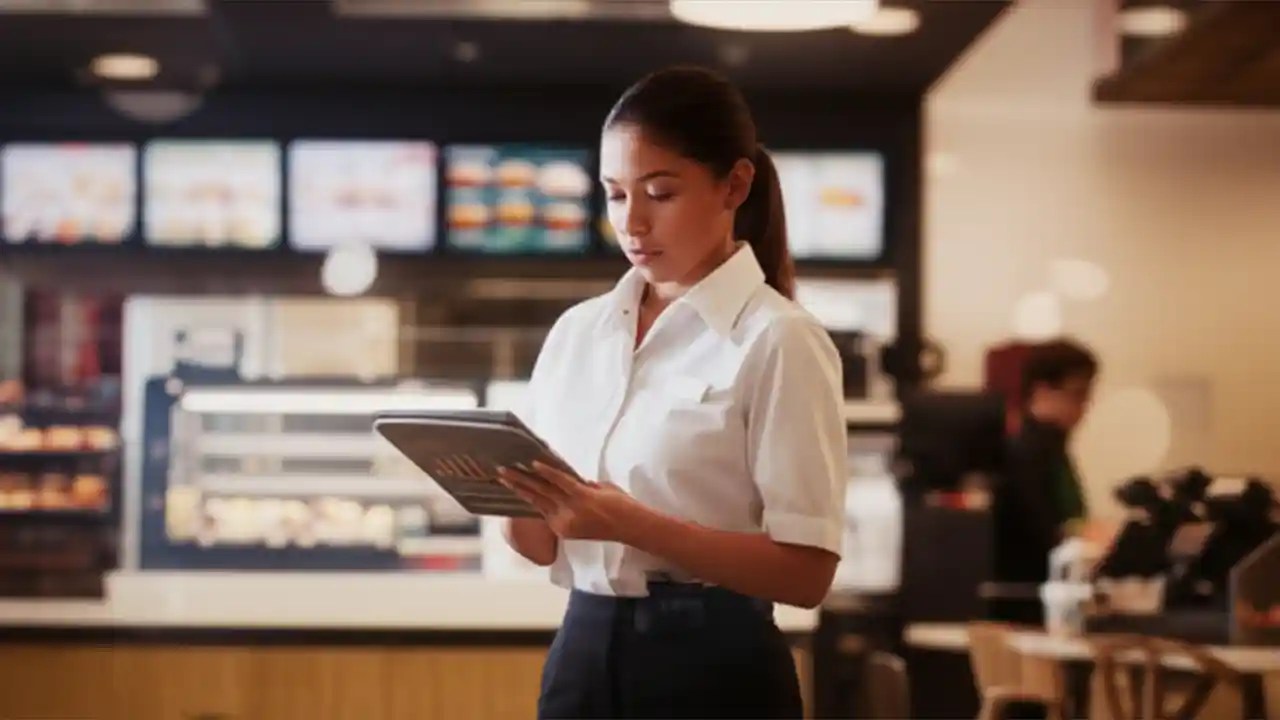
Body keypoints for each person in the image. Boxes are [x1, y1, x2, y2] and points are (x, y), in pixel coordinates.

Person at [496, 66, 848, 719]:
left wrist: (633, 524)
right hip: (582, 648)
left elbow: (807, 575)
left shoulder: (779, 340)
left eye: (659, 192)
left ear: (734, 185)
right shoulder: (579, 332)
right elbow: (539, 545)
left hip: (714, 665)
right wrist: (505, 492)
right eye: (613, 194)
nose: (633, 222)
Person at [994, 337, 1099, 592]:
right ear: (1042, 392)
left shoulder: (1050, 448)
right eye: (1077, 394)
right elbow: (1048, 534)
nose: (1084, 407)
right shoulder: (1028, 454)